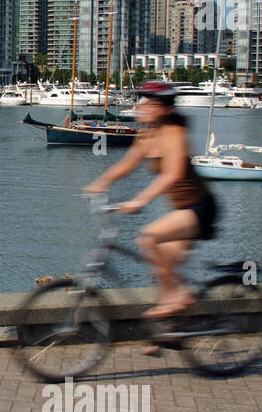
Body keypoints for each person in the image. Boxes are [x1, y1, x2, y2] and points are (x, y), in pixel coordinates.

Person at [83, 81, 219, 344]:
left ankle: (179, 302)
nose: (141, 107)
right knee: (165, 272)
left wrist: (140, 200)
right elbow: (127, 164)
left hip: (200, 207)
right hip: (182, 210)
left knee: (147, 238)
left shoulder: (175, 134)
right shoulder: (147, 136)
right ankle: (174, 333)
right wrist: (99, 184)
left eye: (149, 103)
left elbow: (173, 174)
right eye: (142, 102)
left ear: (165, 109)